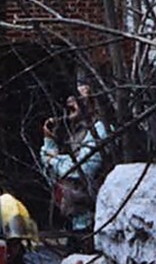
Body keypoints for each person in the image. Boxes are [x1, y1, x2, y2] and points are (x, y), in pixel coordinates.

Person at [42, 94, 107, 233]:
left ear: (93, 104)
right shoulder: (73, 133)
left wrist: (53, 160)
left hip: (94, 220)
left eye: (79, 99)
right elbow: (52, 174)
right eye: (70, 99)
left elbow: (83, 169)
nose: (70, 102)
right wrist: (49, 141)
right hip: (73, 220)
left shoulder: (100, 129)